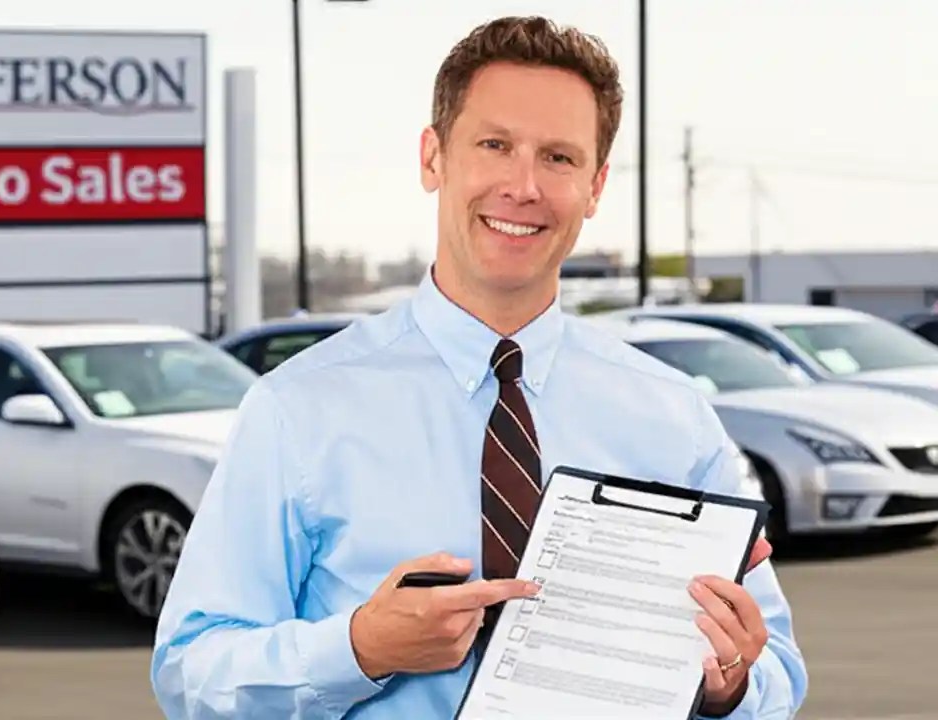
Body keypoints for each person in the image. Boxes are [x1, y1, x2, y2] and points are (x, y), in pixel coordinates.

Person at [151, 15, 807, 719]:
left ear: (595, 186)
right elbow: (191, 674)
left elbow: (778, 677)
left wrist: (730, 682)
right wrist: (360, 649)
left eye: (559, 157)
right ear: (433, 158)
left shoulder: (674, 415)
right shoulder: (299, 408)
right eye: (495, 145)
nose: (522, 186)